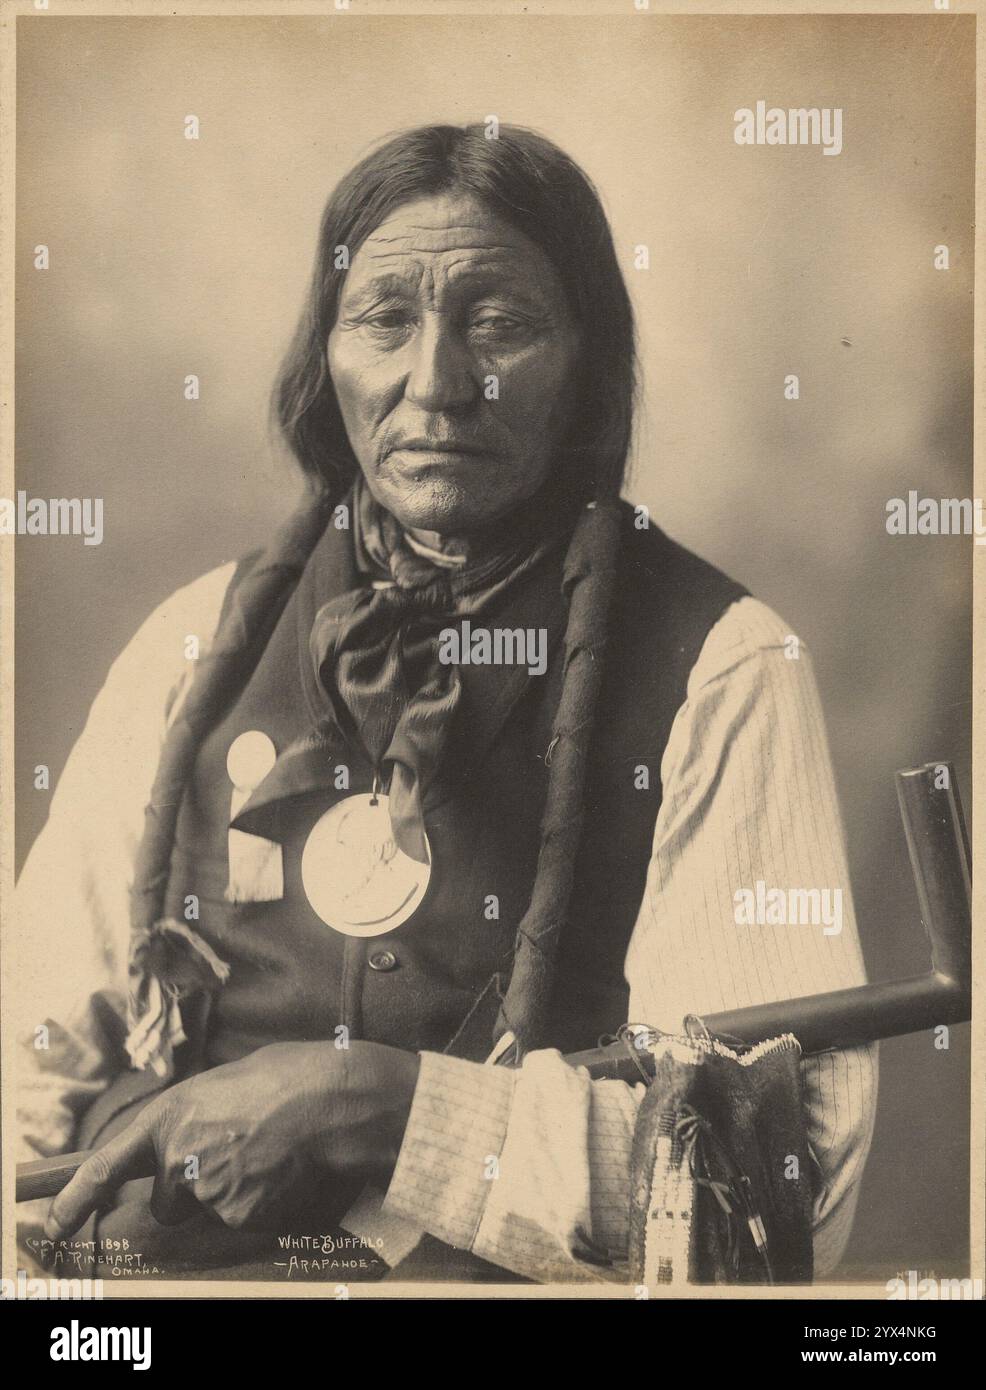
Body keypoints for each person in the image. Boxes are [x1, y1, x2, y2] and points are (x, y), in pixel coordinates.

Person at [15, 123, 877, 1286]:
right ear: (325, 355)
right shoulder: (195, 647)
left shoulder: (721, 670)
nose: (433, 383)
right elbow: (27, 1076)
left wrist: (381, 1111)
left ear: (586, 363)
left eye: (498, 323)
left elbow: (767, 1204)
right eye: (384, 319)